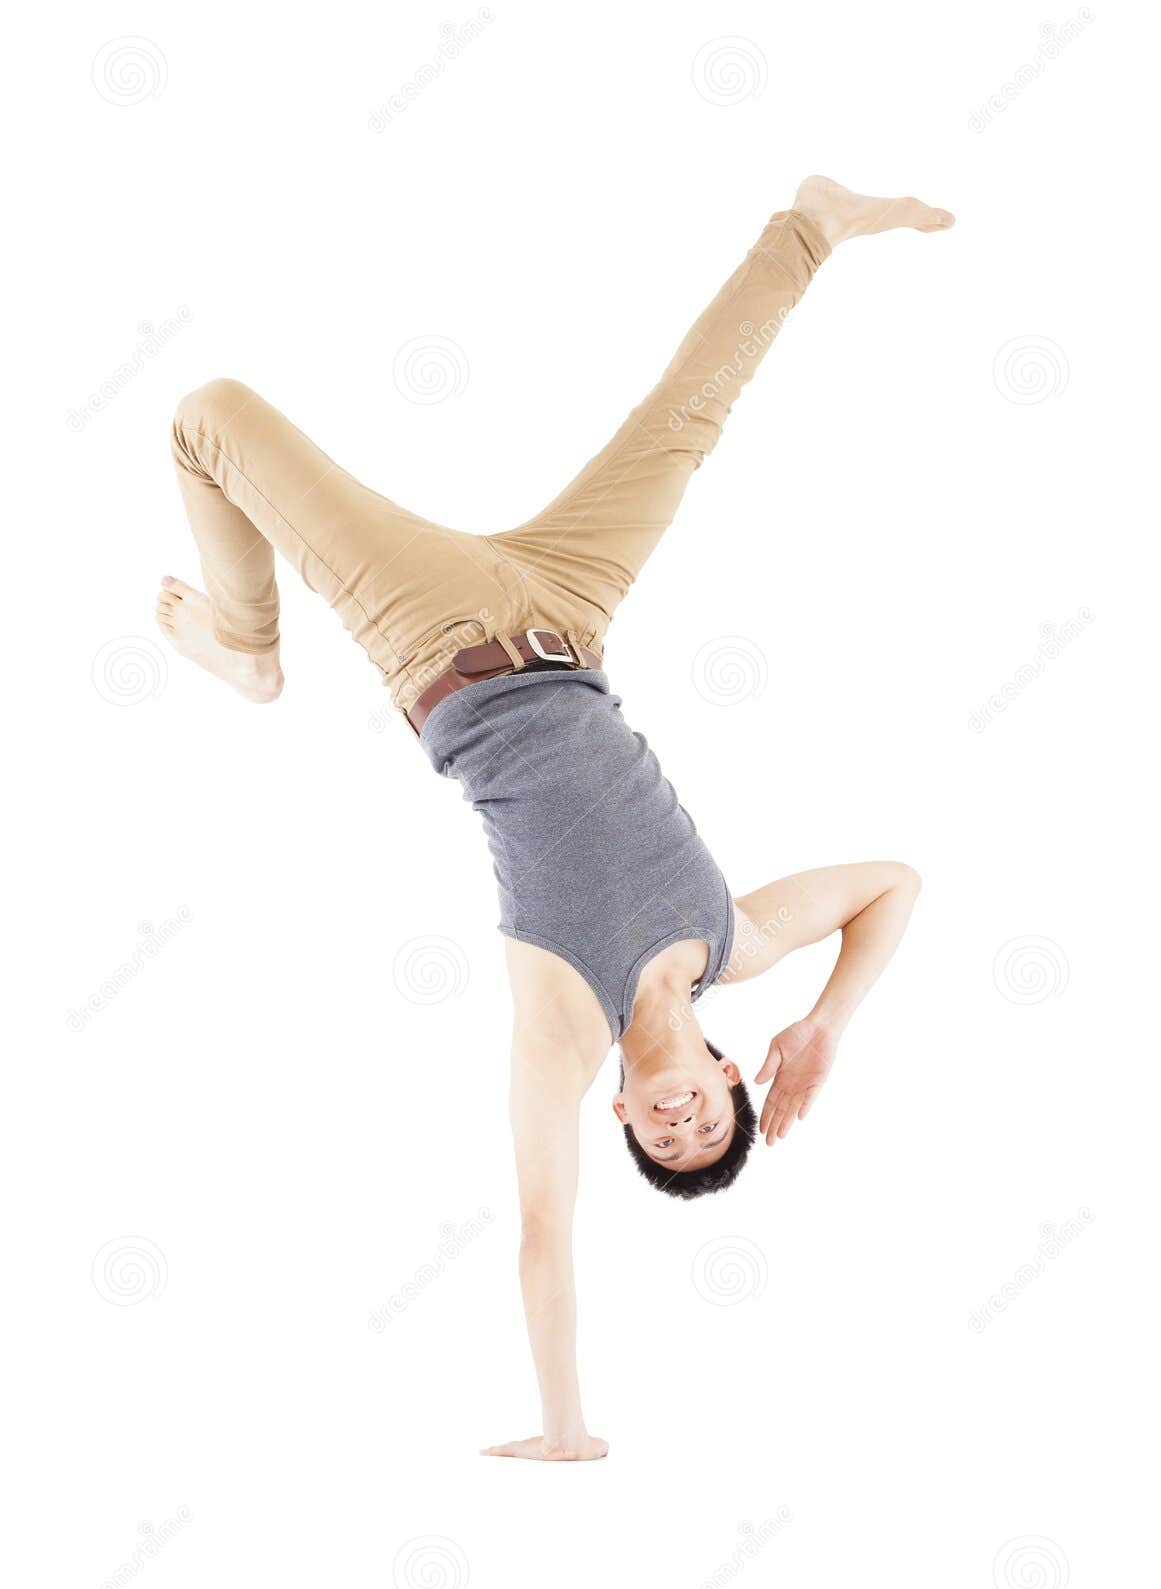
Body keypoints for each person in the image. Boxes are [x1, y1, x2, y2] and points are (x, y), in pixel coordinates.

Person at [159, 176, 951, 1461]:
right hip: (570, 611)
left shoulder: (561, 1033)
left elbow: (543, 1238)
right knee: (685, 420)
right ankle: (814, 220)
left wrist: (566, 1431)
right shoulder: (734, 940)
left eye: (665, 1141)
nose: (685, 1125)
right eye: (711, 1126)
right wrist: (825, 1021)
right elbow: (894, 882)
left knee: (208, 417)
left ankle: (249, 647)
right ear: (730, 1079)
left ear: (627, 1115)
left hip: (434, 636)